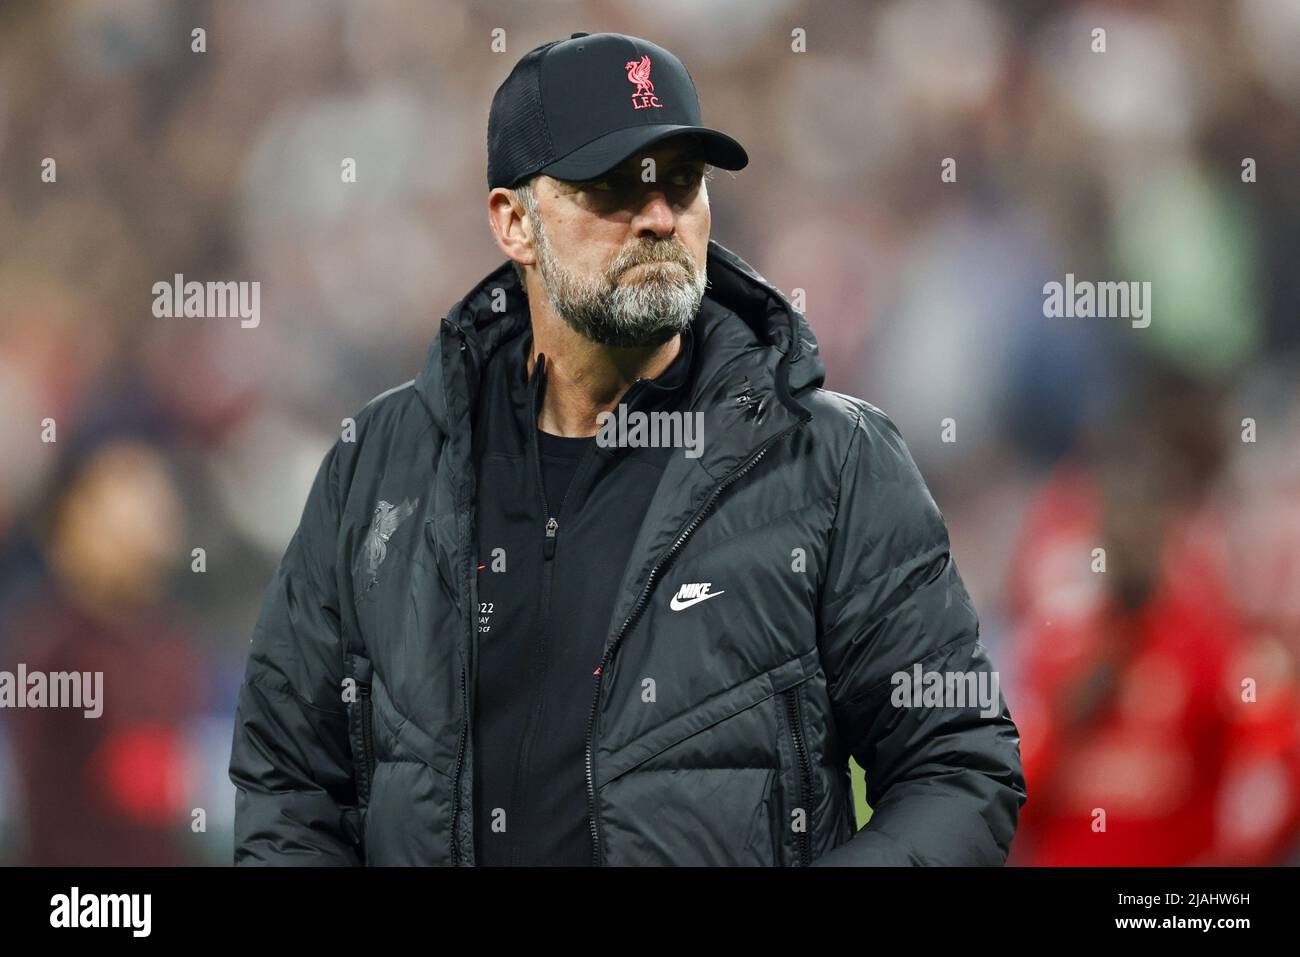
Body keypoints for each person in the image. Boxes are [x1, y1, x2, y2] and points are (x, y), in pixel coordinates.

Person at [228, 31, 1025, 866]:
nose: (658, 216)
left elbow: (957, 764)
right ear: (514, 223)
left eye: (681, 183)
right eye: (612, 189)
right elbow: (289, 780)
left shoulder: (834, 461)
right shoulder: (380, 466)